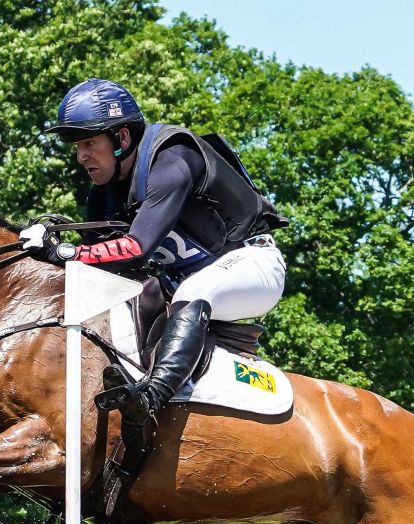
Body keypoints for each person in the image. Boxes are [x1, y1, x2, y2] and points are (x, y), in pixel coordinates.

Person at [19, 78, 289, 427]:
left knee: (195, 291)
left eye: (89, 143)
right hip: (180, 280)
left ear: (122, 138)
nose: (81, 156)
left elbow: (135, 248)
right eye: (77, 146)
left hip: (253, 265)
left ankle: (150, 401)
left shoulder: (173, 159)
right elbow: (98, 268)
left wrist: (64, 252)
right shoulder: (103, 193)